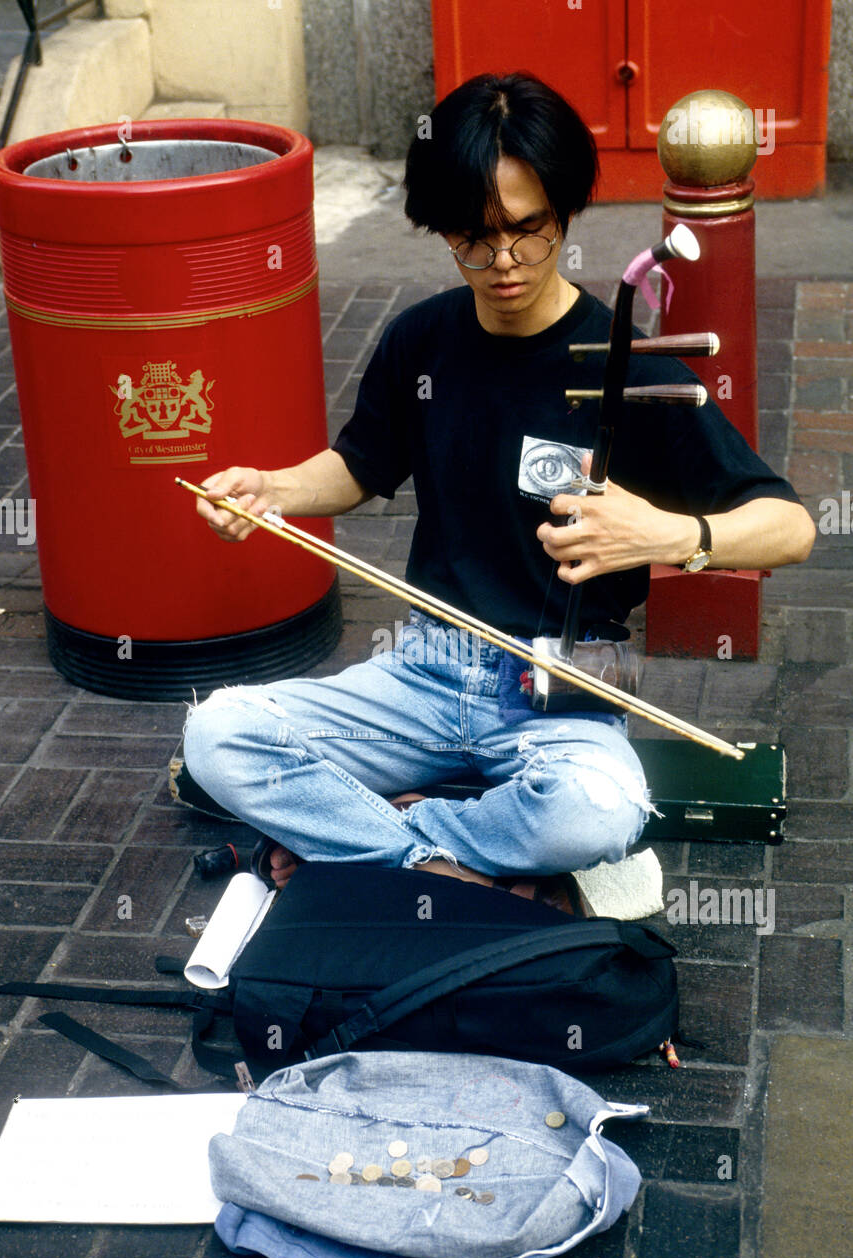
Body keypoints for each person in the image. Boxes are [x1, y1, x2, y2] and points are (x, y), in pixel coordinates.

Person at [183, 71, 815, 902]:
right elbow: (359, 466)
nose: (504, 262)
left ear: (564, 213)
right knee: (217, 734)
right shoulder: (422, 340)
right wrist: (269, 486)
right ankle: (440, 859)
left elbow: (789, 526)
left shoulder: (629, 370)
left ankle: (386, 843)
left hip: (560, 686)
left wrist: (672, 537)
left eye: (528, 230)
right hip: (419, 669)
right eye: (473, 238)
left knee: (600, 812)